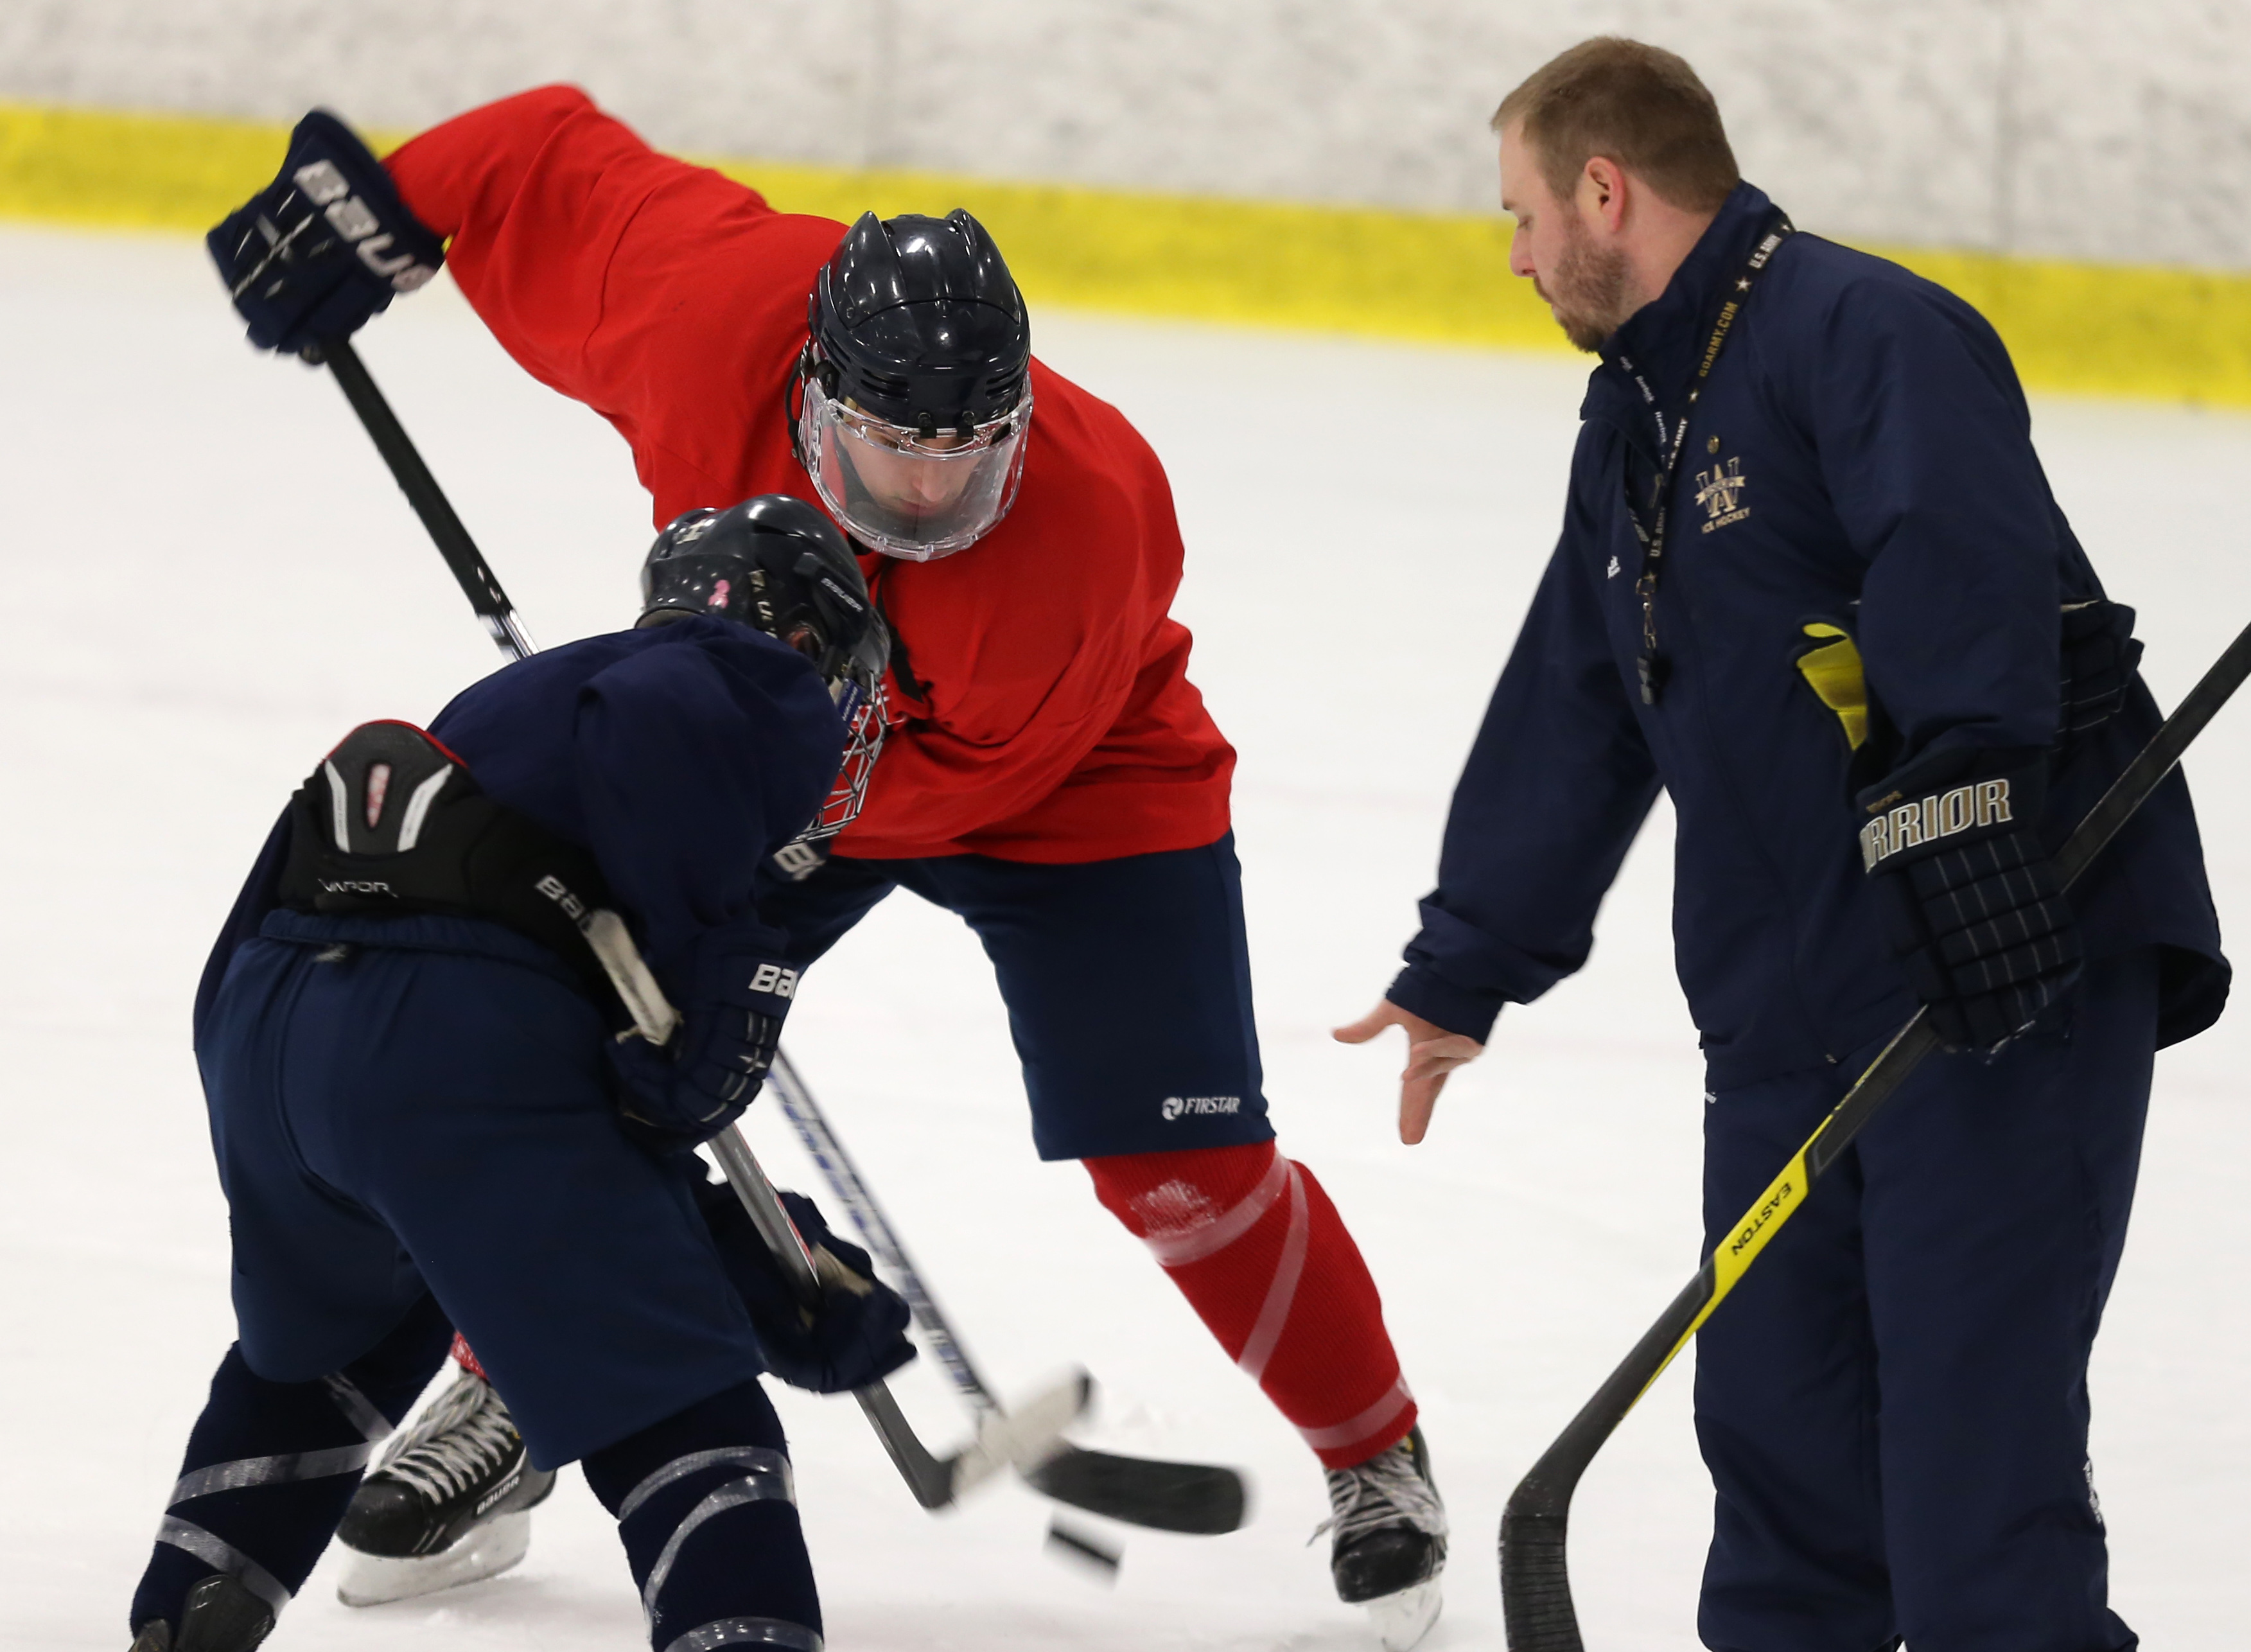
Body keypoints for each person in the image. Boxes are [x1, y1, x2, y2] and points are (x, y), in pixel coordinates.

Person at [206, 91, 1444, 1646]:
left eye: (963, 455)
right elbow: (551, 157)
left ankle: (1375, 1449)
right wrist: (377, 213)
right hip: (775, 722)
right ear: (811, 383)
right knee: (584, 1061)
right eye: (884, 447)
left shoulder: (1088, 524)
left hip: (1076, 779)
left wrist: (738, 947)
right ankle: (511, 1379)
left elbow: (904, 796)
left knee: (1173, 1153)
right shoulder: (708, 312)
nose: (925, 499)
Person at [1335, 36, 2229, 1652]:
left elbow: (1960, 561)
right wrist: (1467, 958)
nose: (1520, 257)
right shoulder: (1635, 426)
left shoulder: (1863, 329)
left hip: (1999, 965)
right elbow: (1579, 699)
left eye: (1523, 216)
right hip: (1786, 1009)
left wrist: (1960, 811)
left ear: (1605, 188)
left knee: (1974, 1482)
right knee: (1782, 1454)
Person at [126, 498, 916, 1652]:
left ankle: (180, 1618)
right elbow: (673, 711)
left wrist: (755, 1265)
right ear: (807, 643)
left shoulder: (517, 714)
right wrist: (721, 970)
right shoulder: (732, 671)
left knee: (345, 1333)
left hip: (275, 1039)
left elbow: (545, 1162)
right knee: (677, 1395)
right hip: (447, 1041)